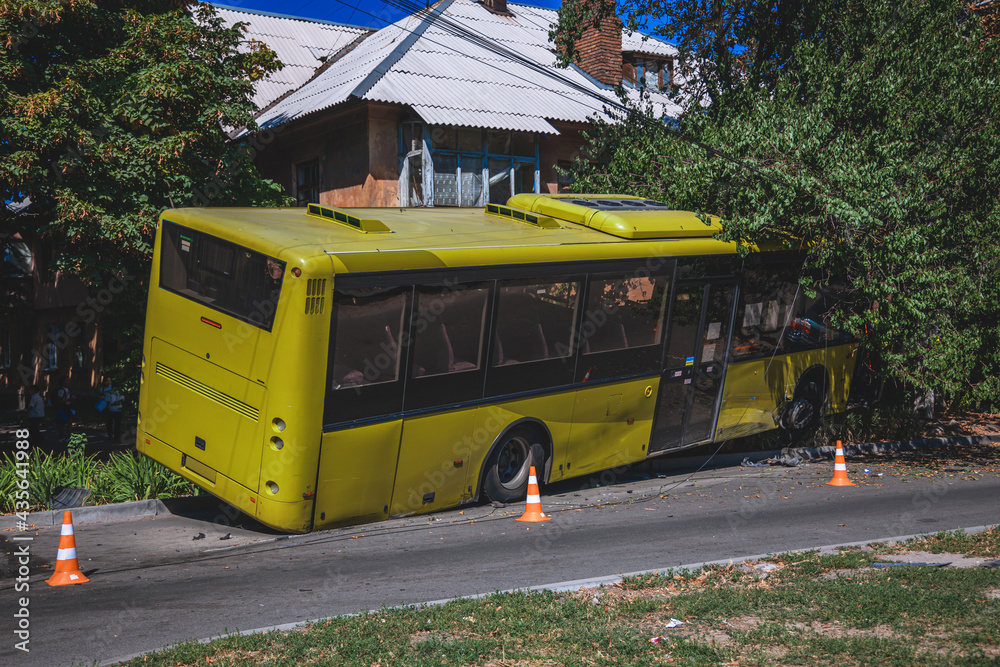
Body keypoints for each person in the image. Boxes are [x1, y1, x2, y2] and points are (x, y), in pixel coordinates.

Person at [102, 377, 123, 443]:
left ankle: (110, 435)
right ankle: (117, 435)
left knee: (110, 423)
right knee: (118, 423)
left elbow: (107, 401)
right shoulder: (121, 391)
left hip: (111, 409)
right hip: (119, 409)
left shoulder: (110, 392)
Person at [54, 376, 74, 442]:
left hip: (68, 406)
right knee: (63, 423)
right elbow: (59, 399)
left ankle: (68, 436)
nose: (68, 382)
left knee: (69, 422)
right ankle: (62, 437)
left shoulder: (67, 389)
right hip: (63, 407)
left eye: (68, 381)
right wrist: (68, 399)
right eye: (66, 381)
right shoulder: (61, 390)